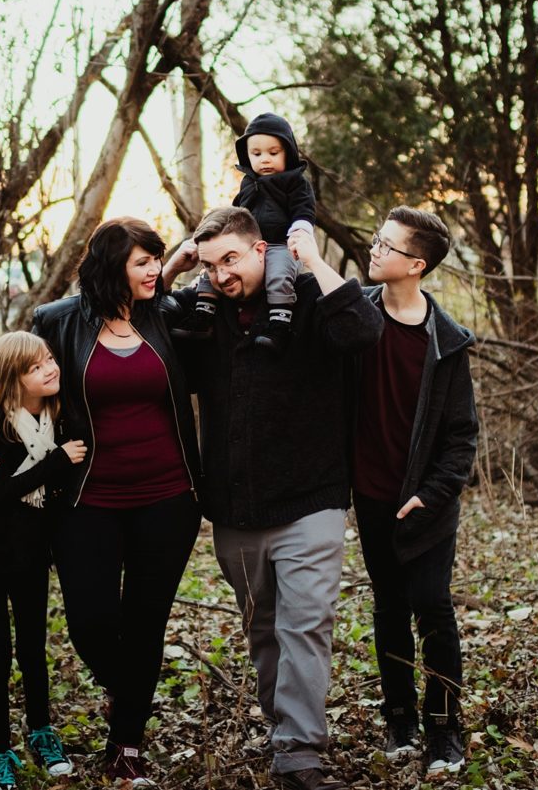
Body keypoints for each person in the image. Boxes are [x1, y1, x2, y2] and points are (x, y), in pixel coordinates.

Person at [0, 217, 202, 788]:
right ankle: (133, 696)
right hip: (86, 498)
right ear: (112, 266)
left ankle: (126, 744)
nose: (154, 270)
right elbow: (9, 385)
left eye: (158, 260)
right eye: (143, 261)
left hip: (168, 497)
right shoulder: (57, 321)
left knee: (147, 621)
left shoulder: (167, 316)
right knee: (90, 624)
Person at [164, 205, 382, 790]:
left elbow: (365, 330)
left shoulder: (307, 300)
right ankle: (284, 729)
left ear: (262, 250)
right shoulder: (201, 314)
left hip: (312, 498)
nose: (220, 275)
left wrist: (310, 257)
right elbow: (124, 321)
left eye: (230, 259)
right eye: (209, 265)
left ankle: (298, 756)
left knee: (305, 624)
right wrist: (174, 267)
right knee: (263, 631)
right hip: (234, 510)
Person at [351, 207, 478, 777]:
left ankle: (445, 727)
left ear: (416, 264)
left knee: (433, 608)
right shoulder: (357, 317)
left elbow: (461, 436)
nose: (375, 249)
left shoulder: (446, 342)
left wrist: (432, 493)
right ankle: (399, 717)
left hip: (426, 504)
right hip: (371, 495)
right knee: (388, 608)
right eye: (377, 240)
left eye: (387, 245)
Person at [0, 331, 87, 789]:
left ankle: (41, 732)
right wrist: (57, 462)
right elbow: (1, 492)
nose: (50, 368)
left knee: (33, 652)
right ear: (13, 379)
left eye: (49, 359)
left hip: (32, 555)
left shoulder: (59, 412)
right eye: (36, 367)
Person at [189, 112, 316, 351]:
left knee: (278, 275)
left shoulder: (295, 182)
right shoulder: (247, 183)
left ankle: (279, 323)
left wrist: (300, 231)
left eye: (273, 153)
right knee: (212, 269)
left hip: (280, 245)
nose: (264, 160)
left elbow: (304, 210)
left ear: (287, 152)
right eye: (256, 154)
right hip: (247, 245)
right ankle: (202, 315)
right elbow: (234, 214)